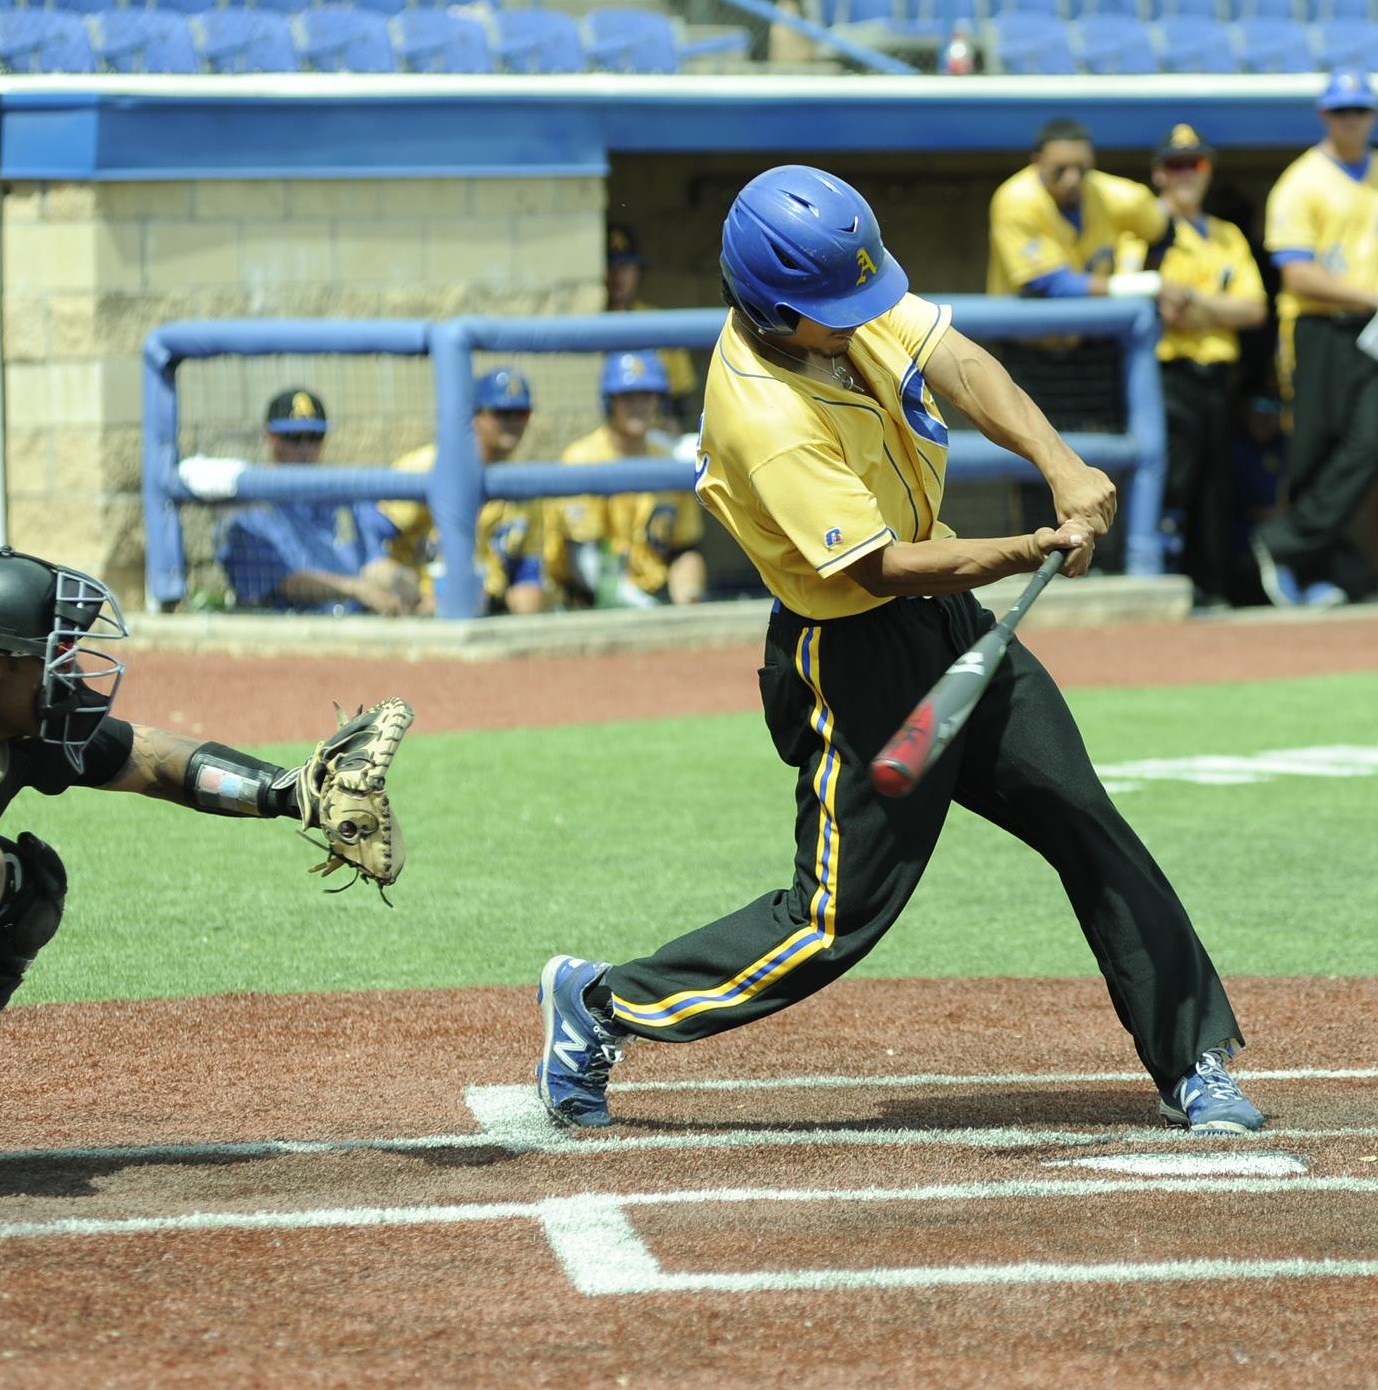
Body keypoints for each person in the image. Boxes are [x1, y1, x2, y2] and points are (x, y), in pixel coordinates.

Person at [533, 166, 1261, 1136]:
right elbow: (884, 569)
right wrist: (1030, 548)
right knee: (830, 920)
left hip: (950, 626)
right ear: (774, 307)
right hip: (853, 660)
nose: (864, 313)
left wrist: (1061, 465)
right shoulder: (763, 414)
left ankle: (1190, 1059)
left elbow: (961, 365)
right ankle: (598, 1005)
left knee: (1083, 819)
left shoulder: (839, 292)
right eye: (840, 305)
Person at [0, 548, 404, 1170]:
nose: (68, 669)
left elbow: (148, 758)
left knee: (22, 899)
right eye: (53, 653)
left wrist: (287, 791)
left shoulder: (7, 723)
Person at [1251, 69, 1378, 608]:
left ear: (1373, 115)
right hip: (1317, 326)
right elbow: (1296, 274)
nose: (1352, 120)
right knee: (1311, 448)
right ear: (1325, 116)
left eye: (1361, 110)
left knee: (1369, 444)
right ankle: (1306, 568)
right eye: (1341, 111)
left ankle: (1284, 545)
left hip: (1377, 333)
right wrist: (1376, 298)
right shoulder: (1301, 180)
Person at [1139, 123, 1267, 612]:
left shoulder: (1227, 234)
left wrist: (1198, 304)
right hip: (1167, 376)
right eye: (1176, 165)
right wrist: (1218, 307)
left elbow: (1255, 309)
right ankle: (1165, 580)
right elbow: (1163, 308)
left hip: (1217, 376)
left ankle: (1209, 587)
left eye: (1195, 164)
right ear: (1159, 174)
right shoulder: (1148, 228)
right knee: (1174, 480)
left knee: (1217, 485)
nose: (1187, 174)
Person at [985, 117, 1169, 436]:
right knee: (1034, 458)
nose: (1072, 179)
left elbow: (1163, 231)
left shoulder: (1116, 195)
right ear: (1038, 162)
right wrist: (1137, 286)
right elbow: (1050, 284)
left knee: (1103, 450)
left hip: (1092, 346)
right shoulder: (1016, 199)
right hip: (1031, 350)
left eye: (1081, 168)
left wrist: (1142, 266)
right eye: (1061, 169)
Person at [210, 389, 422, 615]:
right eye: (293, 439)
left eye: (313, 438)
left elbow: (372, 564)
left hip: (355, 623)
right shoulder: (249, 508)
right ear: (271, 437)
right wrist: (356, 589)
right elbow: (284, 583)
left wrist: (399, 580)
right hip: (288, 630)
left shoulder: (340, 497)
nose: (304, 449)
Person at [377, 367, 547, 615]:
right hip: (418, 607)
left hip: (489, 607)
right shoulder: (426, 466)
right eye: (501, 412)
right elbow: (372, 538)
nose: (512, 422)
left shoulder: (522, 486)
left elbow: (527, 574)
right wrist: (403, 588)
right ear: (475, 416)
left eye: (521, 413)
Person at [556, 352, 706, 607]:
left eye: (646, 395)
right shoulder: (581, 459)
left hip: (655, 590)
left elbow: (684, 548)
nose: (638, 406)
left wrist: (687, 601)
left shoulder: (669, 457)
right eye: (627, 397)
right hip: (593, 597)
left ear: (658, 401)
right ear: (609, 401)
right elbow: (583, 562)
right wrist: (644, 607)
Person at [604, 224, 700, 429]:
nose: (617, 275)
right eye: (610, 266)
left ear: (638, 271)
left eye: (625, 267)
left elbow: (680, 400)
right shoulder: (587, 322)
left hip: (651, 428)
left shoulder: (659, 323)